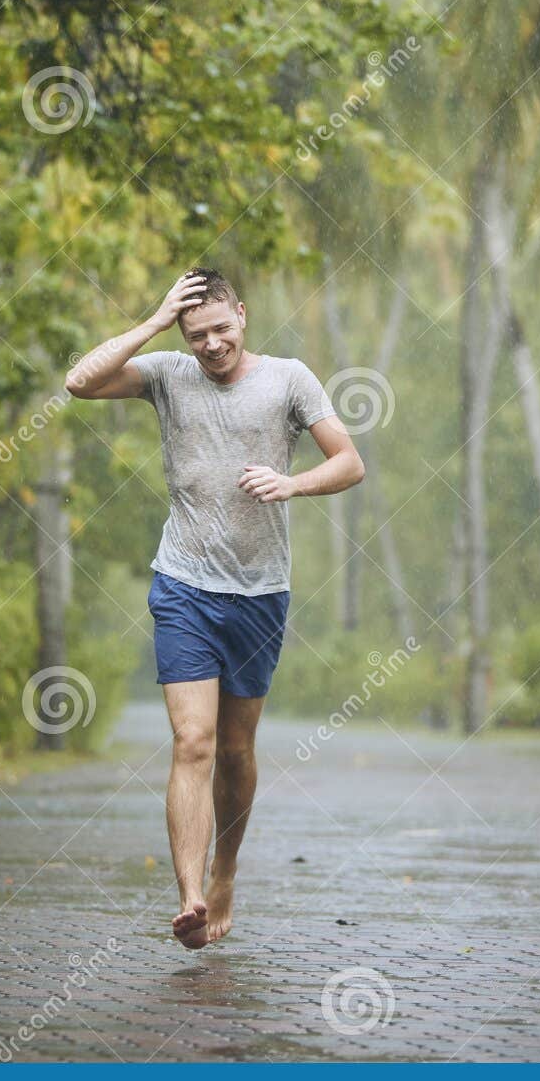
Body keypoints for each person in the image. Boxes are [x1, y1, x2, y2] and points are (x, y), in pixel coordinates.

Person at [64, 268, 364, 949]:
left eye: (222, 329)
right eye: (197, 334)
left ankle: (225, 868)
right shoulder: (168, 374)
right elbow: (79, 382)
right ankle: (191, 893)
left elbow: (349, 462)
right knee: (193, 742)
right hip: (183, 585)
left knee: (234, 749)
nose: (212, 346)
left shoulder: (288, 378)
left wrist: (292, 483)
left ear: (244, 317)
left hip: (260, 593)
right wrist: (153, 320)